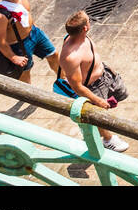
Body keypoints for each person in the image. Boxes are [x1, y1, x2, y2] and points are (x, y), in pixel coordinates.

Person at [55, 10, 130, 151]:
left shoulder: (82, 36)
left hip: (106, 75)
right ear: (85, 28)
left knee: (121, 94)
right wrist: (97, 100)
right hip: (92, 87)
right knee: (99, 116)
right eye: (88, 21)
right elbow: (76, 86)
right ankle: (108, 140)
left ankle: (92, 123)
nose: (90, 23)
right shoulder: (71, 56)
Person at [0, 0, 60, 86]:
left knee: (54, 55)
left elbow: (26, 16)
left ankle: (64, 82)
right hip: (18, 45)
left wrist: (35, 27)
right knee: (25, 72)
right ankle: (30, 95)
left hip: (35, 33)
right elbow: (0, 41)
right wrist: (13, 57)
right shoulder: (0, 16)